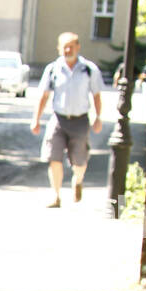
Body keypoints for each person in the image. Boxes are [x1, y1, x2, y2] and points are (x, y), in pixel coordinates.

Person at [31, 32, 103, 207]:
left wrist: (98, 118)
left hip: (80, 120)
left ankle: (77, 180)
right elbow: (44, 95)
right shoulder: (53, 69)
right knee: (53, 157)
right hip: (58, 118)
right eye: (64, 47)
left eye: (71, 46)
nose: (68, 50)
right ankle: (56, 196)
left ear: (78, 47)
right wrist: (36, 118)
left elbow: (97, 95)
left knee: (79, 161)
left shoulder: (88, 69)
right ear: (59, 48)